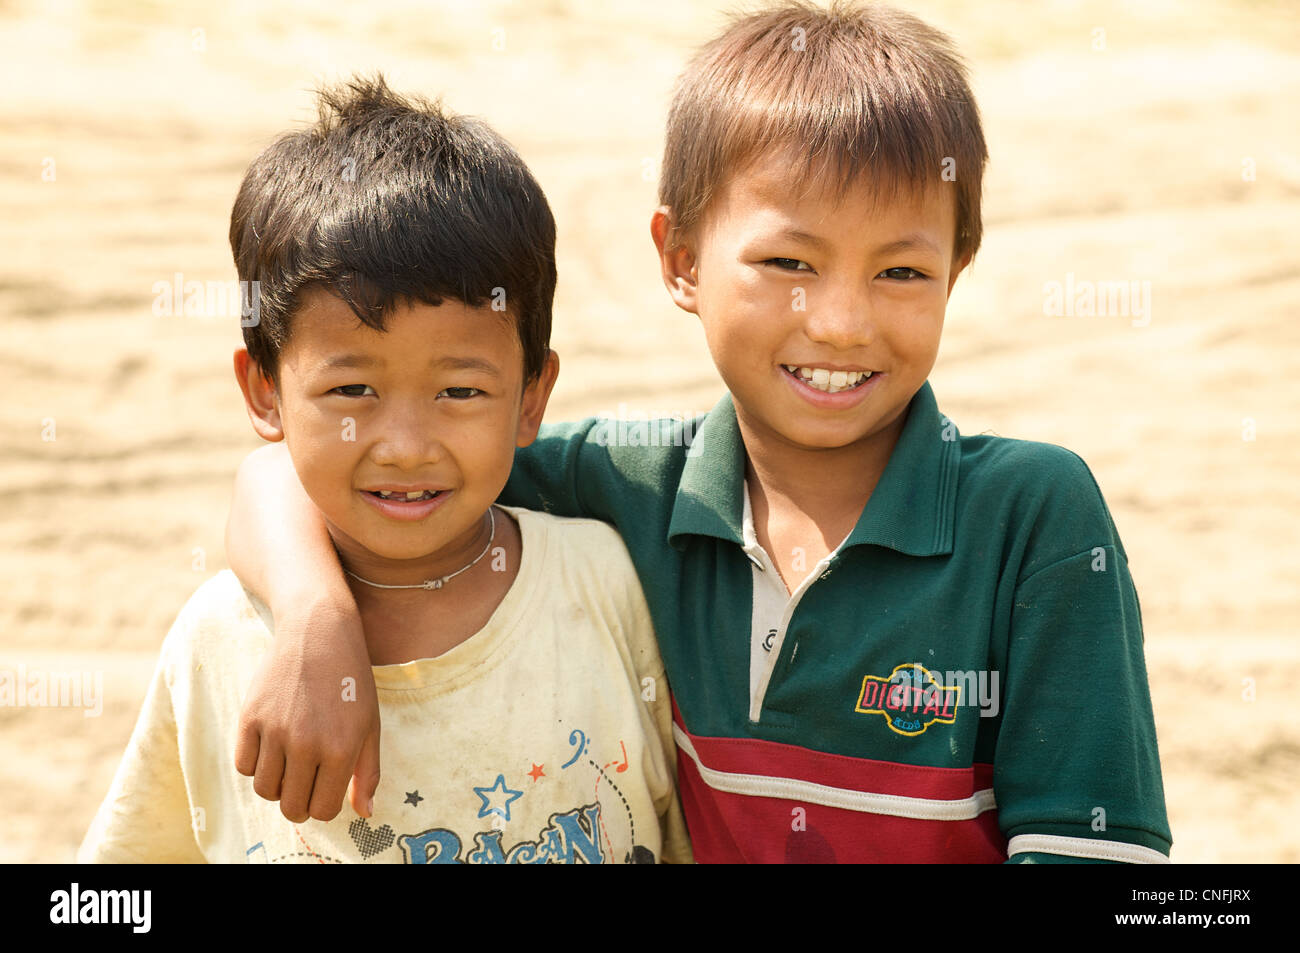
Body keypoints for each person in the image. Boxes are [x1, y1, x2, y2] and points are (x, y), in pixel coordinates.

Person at [226, 3, 1172, 863]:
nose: (840, 321)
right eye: (789, 259)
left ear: (959, 268)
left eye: (902, 273)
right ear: (680, 259)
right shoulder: (624, 492)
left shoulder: (1031, 519)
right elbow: (299, 471)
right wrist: (317, 616)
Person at [78, 76, 690, 864]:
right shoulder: (219, 640)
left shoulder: (600, 584)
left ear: (532, 397)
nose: (405, 444)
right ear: (264, 391)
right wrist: (312, 620)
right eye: (352, 389)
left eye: (460, 390)